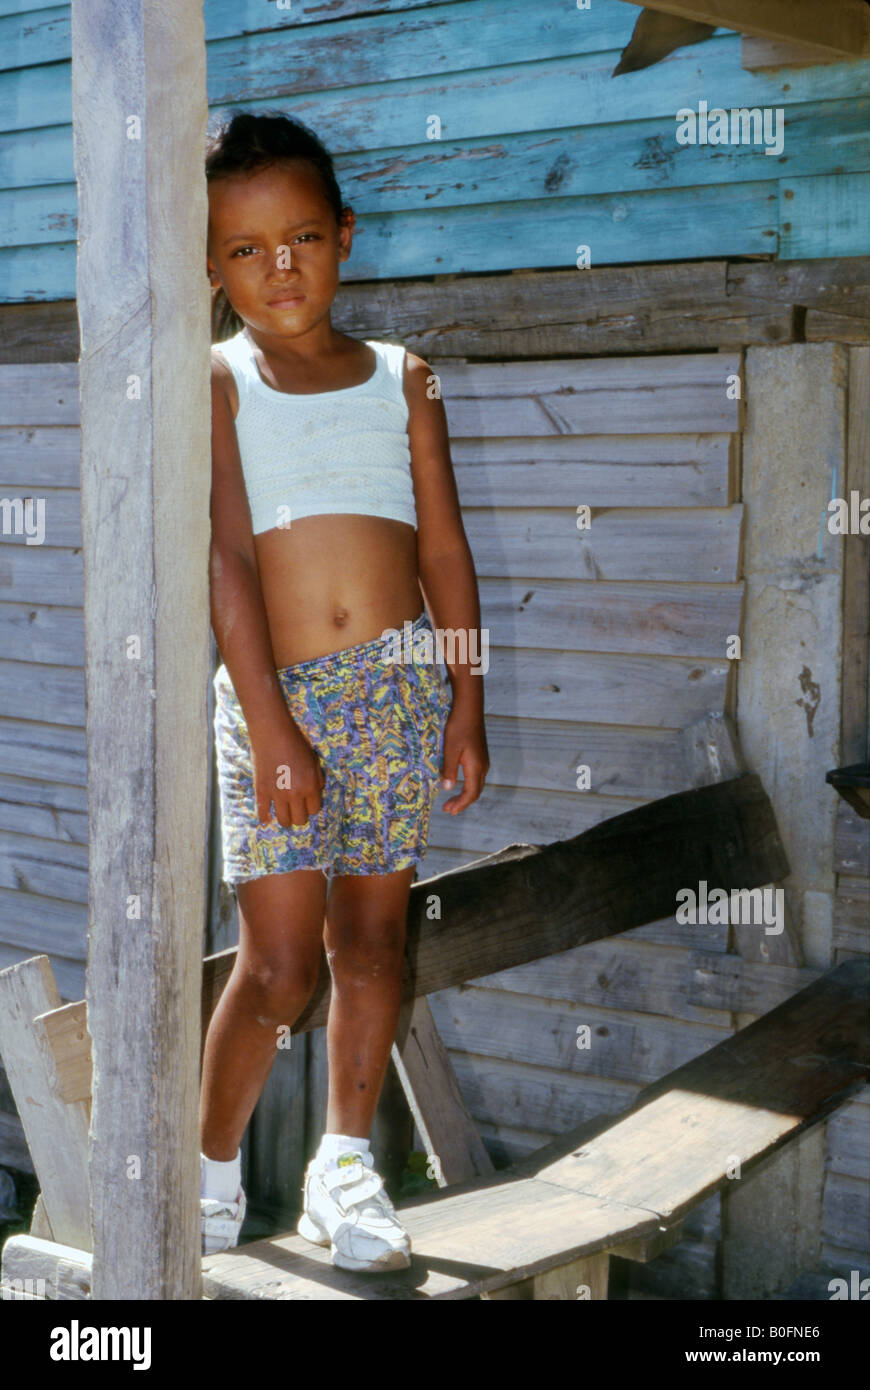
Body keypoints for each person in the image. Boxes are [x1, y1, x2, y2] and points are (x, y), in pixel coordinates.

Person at [199, 111, 489, 1273]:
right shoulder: (218, 380)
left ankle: (344, 1168)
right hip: (275, 700)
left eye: (304, 238)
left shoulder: (399, 378)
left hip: (400, 690)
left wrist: (466, 696)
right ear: (213, 266)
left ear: (346, 238)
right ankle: (208, 1173)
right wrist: (270, 725)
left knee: (373, 946)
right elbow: (225, 558)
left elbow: (446, 552)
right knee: (278, 965)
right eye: (246, 249)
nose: (281, 268)